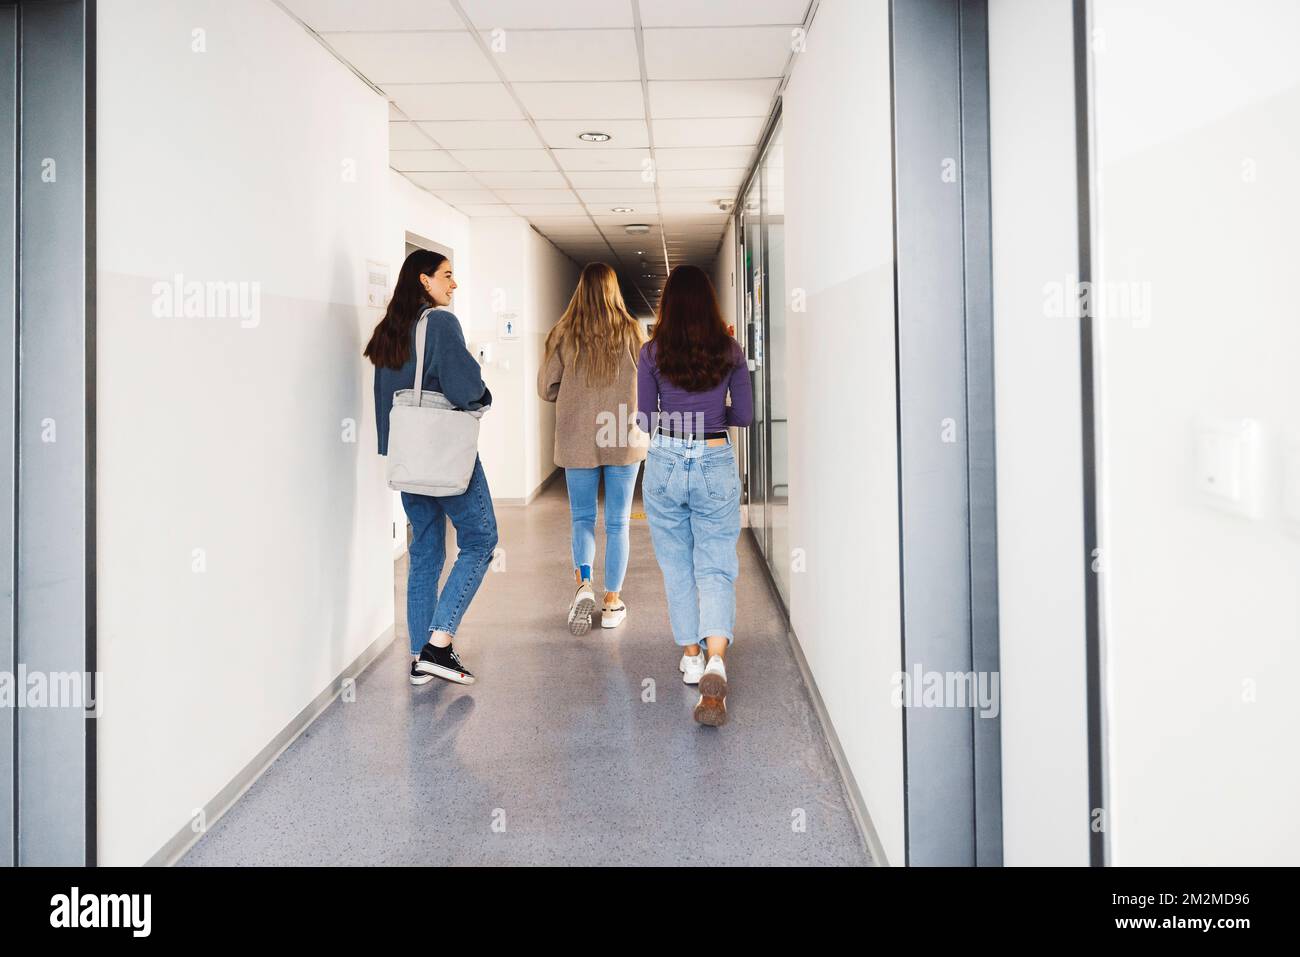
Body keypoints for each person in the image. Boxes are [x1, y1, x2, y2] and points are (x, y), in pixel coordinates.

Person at [365, 249, 497, 686]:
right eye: (447, 275)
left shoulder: (391, 329)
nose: (453, 284)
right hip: (444, 454)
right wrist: (483, 397)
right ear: (424, 280)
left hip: (410, 459)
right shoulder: (440, 323)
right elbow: (465, 386)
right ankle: (438, 646)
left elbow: (386, 399)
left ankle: (418, 658)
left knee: (424, 553)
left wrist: (395, 451)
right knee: (480, 541)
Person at [637, 265, 752, 726]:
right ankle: (717, 656)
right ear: (709, 303)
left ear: (668, 306)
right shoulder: (729, 350)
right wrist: (711, 407)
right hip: (714, 460)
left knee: (676, 563)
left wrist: (678, 410)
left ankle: (690, 653)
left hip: (665, 460)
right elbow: (742, 415)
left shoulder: (651, 352)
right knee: (716, 563)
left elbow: (646, 419)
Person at [539, 262, 647, 635]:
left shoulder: (563, 333)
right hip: (621, 435)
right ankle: (612, 602)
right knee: (618, 524)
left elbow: (546, 388)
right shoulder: (632, 331)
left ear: (580, 290)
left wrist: (574, 395)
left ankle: (584, 583)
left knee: (582, 518)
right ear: (614, 290)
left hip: (577, 437)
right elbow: (648, 385)